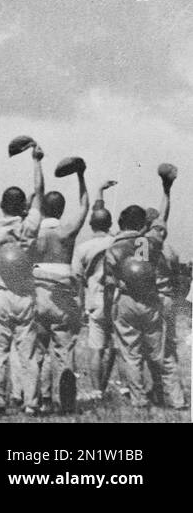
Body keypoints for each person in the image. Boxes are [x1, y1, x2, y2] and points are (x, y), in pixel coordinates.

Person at [0, 145, 44, 414]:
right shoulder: (30, 227)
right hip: (26, 295)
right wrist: (37, 163)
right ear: (23, 207)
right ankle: (32, 402)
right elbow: (38, 195)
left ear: (1, 206)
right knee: (28, 353)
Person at [28, 164, 89, 415]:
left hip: (38, 293)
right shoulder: (67, 231)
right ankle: (67, 403)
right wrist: (81, 176)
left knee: (38, 352)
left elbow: (36, 190)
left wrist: (37, 161)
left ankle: (41, 400)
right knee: (64, 351)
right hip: (63, 296)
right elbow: (85, 206)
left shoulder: (32, 231)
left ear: (42, 209)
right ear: (62, 210)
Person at [103, 200, 172, 408]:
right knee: (156, 352)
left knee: (130, 353)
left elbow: (109, 285)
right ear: (143, 224)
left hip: (126, 301)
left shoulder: (114, 248)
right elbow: (161, 221)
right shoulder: (147, 244)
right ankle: (162, 393)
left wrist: (108, 311)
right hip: (150, 301)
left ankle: (139, 398)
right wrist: (166, 191)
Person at [71, 184, 117, 400]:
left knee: (96, 347)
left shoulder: (83, 248)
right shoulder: (118, 242)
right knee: (115, 347)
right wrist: (100, 195)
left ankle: (98, 390)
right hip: (117, 299)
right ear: (110, 224)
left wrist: (79, 307)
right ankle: (106, 386)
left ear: (90, 225)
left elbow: (78, 281)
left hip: (95, 300)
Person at [145, 166, 184, 409]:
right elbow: (163, 217)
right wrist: (166, 191)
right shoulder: (169, 248)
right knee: (166, 348)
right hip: (169, 299)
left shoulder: (144, 244)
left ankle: (172, 398)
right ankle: (165, 393)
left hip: (155, 300)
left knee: (158, 352)